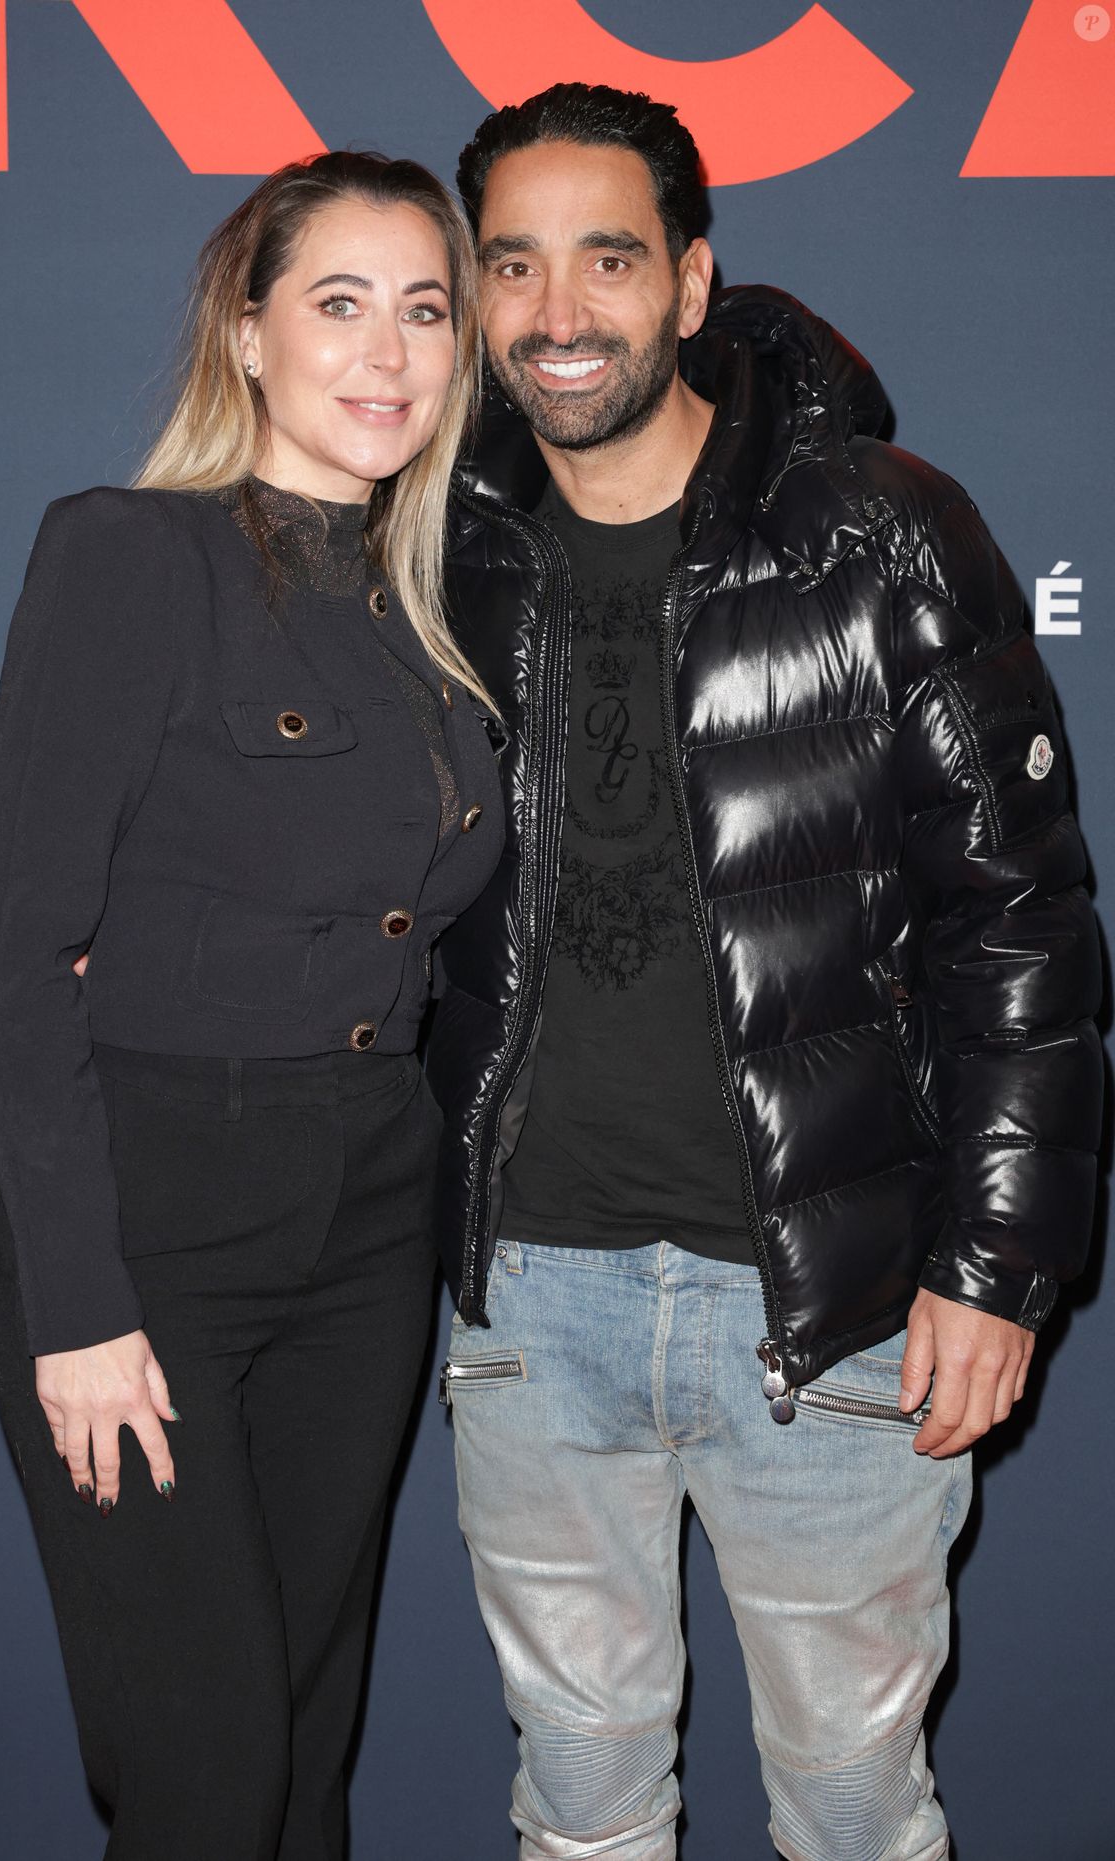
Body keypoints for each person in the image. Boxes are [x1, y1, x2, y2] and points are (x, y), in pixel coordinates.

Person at [428, 83, 1101, 1861]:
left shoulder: (883, 528)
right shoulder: (434, 550)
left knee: (855, 1811)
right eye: (512, 263)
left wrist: (999, 1263)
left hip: (839, 1309)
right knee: (577, 1801)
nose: (559, 314)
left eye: (608, 259)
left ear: (693, 278)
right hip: (531, 1303)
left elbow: (1022, 925)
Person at [0, 150, 502, 1861]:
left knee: (303, 1744)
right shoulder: (132, 555)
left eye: (427, 308)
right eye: (338, 301)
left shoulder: (438, 622)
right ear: (248, 332)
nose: (390, 349)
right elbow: (13, 945)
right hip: (156, 1215)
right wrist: (76, 1298)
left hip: (365, 1213)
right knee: (203, 1773)